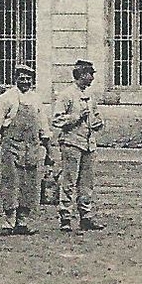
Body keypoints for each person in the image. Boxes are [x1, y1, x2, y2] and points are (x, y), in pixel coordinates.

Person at [0, 62, 52, 236]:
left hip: (32, 147)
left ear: (32, 81)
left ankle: (23, 221)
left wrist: (49, 152)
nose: (25, 82)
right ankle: (9, 221)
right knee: (10, 183)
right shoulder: (6, 98)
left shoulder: (36, 99)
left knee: (29, 184)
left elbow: (44, 127)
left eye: (28, 79)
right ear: (16, 79)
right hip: (11, 146)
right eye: (21, 79)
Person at [52, 59, 106, 232]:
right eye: (91, 74)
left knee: (87, 183)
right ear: (82, 75)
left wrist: (98, 122)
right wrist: (76, 117)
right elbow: (57, 119)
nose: (92, 78)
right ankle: (65, 218)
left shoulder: (90, 96)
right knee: (68, 182)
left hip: (88, 144)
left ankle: (86, 216)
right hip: (72, 143)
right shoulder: (66, 95)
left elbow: (95, 116)